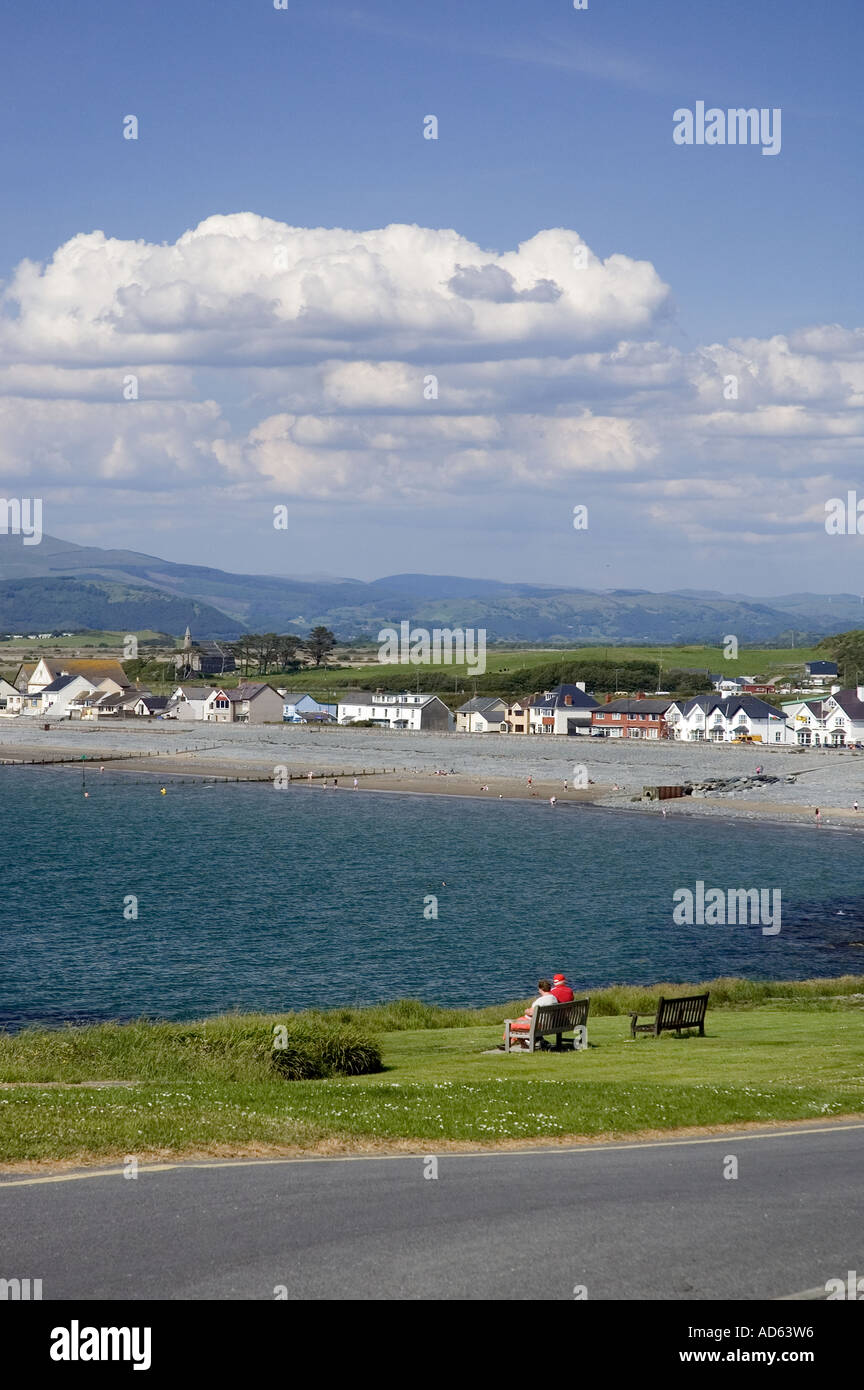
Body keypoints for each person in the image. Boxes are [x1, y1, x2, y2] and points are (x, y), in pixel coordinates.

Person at [504, 980, 558, 1049]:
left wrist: (526, 1011)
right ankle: (520, 1044)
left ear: (541, 989)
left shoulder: (541, 1000)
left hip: (538, 1025)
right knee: (519, 1021)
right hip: (549, 1024)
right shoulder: (554, 999)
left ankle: (509, 1044)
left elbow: (531, 1012)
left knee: (512, 1025)